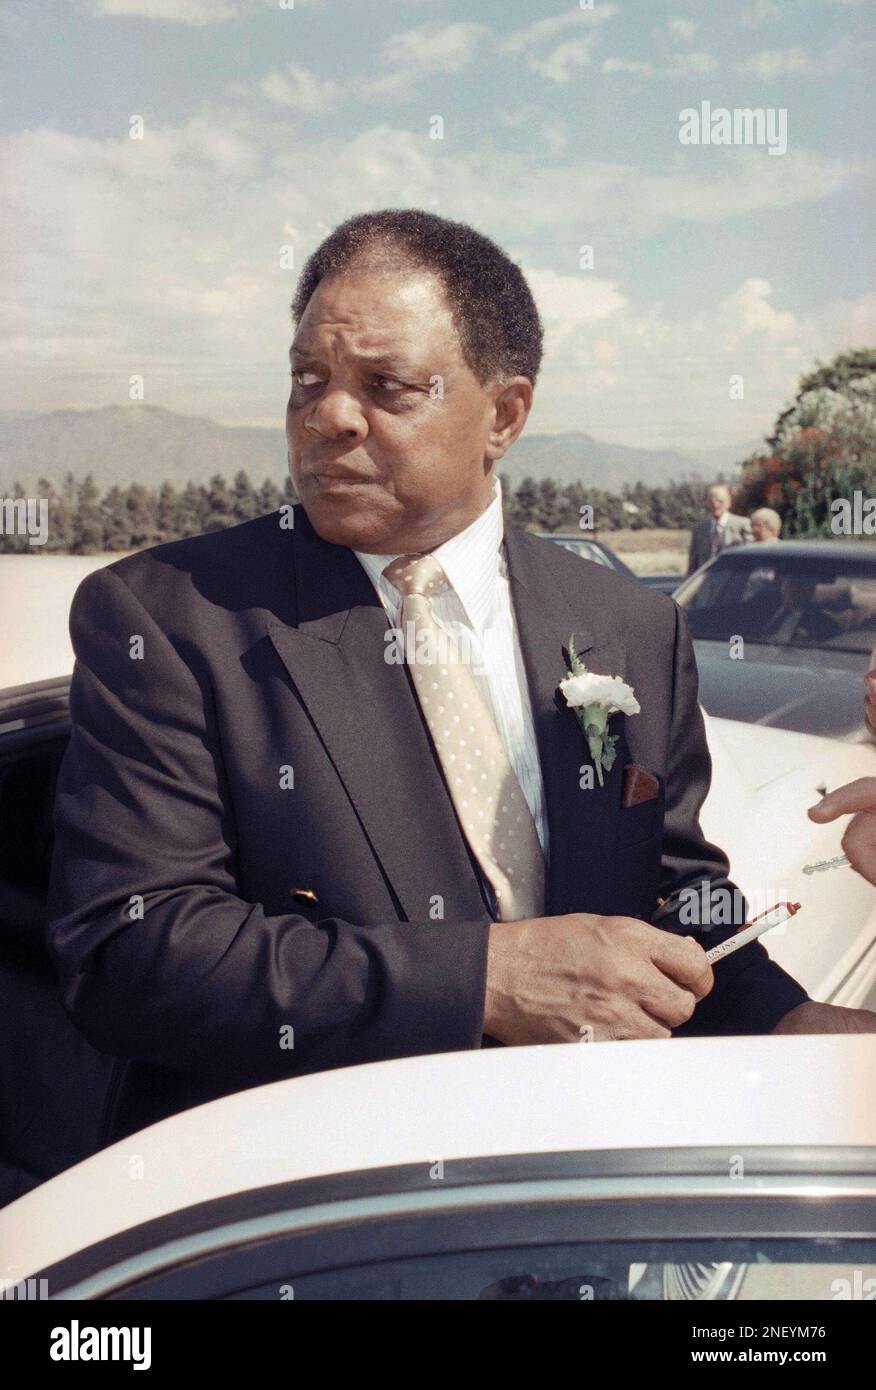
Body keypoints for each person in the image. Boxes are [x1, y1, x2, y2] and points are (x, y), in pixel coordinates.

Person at [45, 210, 873, 1141]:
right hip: (307, 1226)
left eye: (386, 386)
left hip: (578, 1198)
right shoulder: (168, 618)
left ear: (505, 415)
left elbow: (672, 892)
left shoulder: (629, 625)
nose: (328, 417)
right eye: (307, 380)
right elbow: (132, 954)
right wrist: (489, 978)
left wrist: (782, 1020)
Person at [687, 484, 753, 575]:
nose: (715, 505)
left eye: (720, 501)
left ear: (729, 503)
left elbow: (750, 557)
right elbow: (693, 565)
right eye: (711, 501)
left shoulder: (742, 525)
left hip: (734, 581)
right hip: (706, 582)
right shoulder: (700, 528)